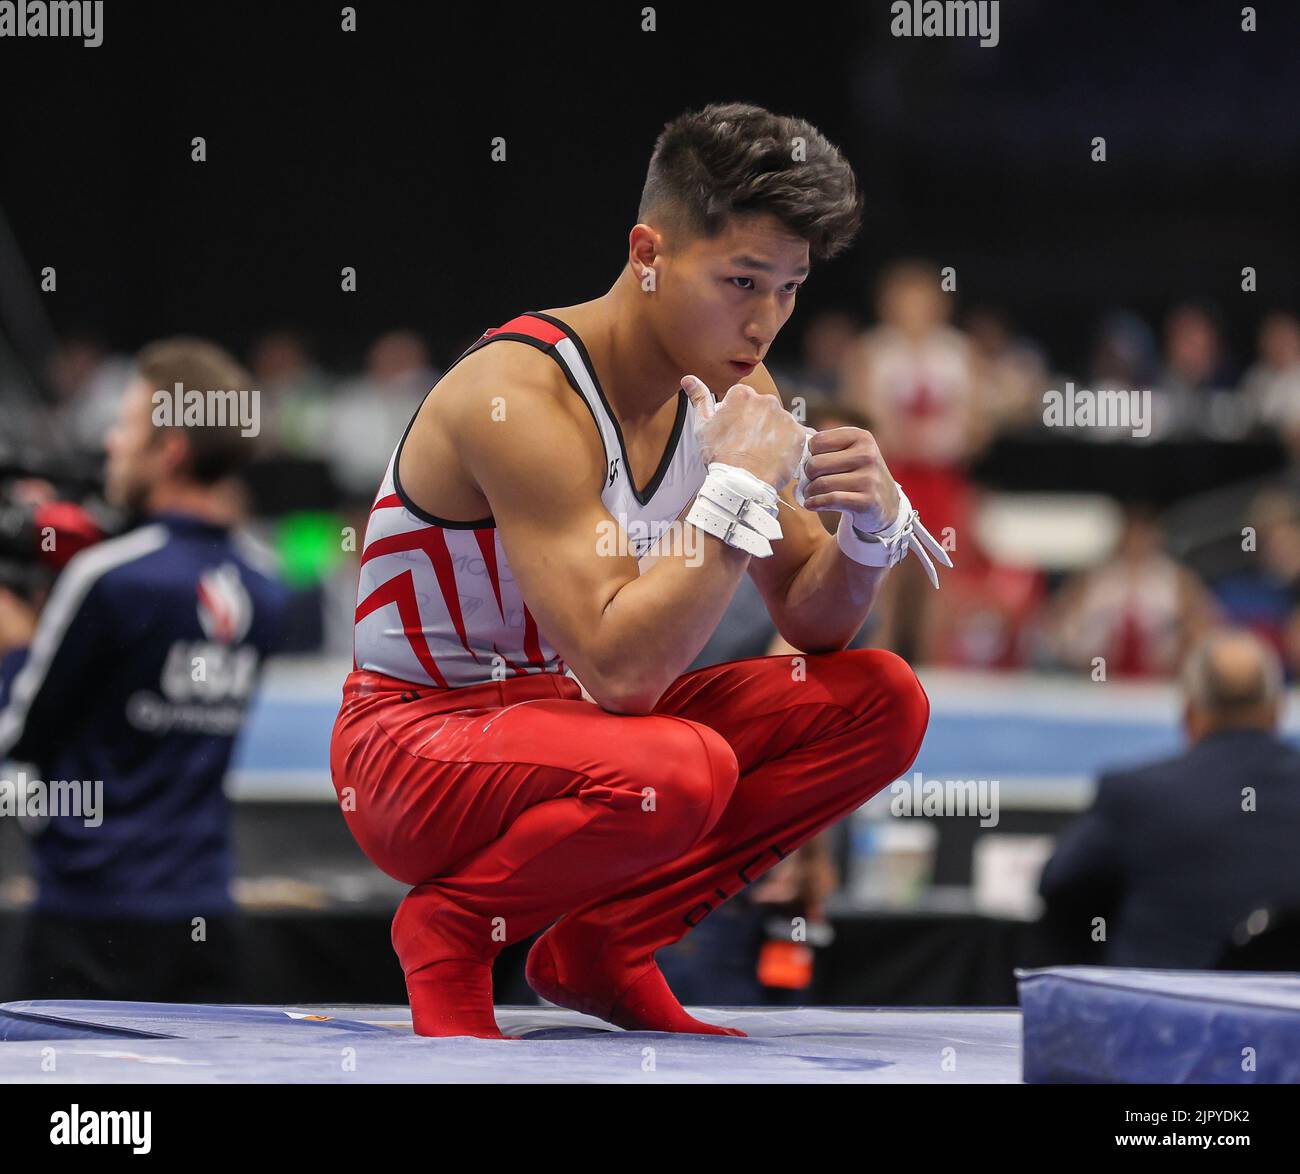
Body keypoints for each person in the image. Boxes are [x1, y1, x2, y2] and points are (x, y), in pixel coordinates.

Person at [330, 102, 949, 1039]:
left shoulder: (740, 388)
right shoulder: (519, 397)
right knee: (680, 763)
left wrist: (868, 533)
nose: (764, 321)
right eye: (741, 280)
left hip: (568, 731)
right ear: (647, 252)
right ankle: (454, 928)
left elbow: (817, 626)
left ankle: (607, 943)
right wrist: (736, 487)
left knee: (882, 698)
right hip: (413, 747)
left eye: (789, 288)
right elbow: (624, 674)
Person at [0, 338, 289, 1001]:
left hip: (90, 918)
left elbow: (19, 733)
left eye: (127, 425)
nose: (111, 441)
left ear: (172, 449)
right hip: (207, 909)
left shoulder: (109, 578)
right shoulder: (265, 586)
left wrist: (16, 641)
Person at [1038, 629, 1300, 968]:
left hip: (1164, 1013)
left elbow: (1059, 888)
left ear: (1190, 714)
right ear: (1276, 711)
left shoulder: (1138, 795)